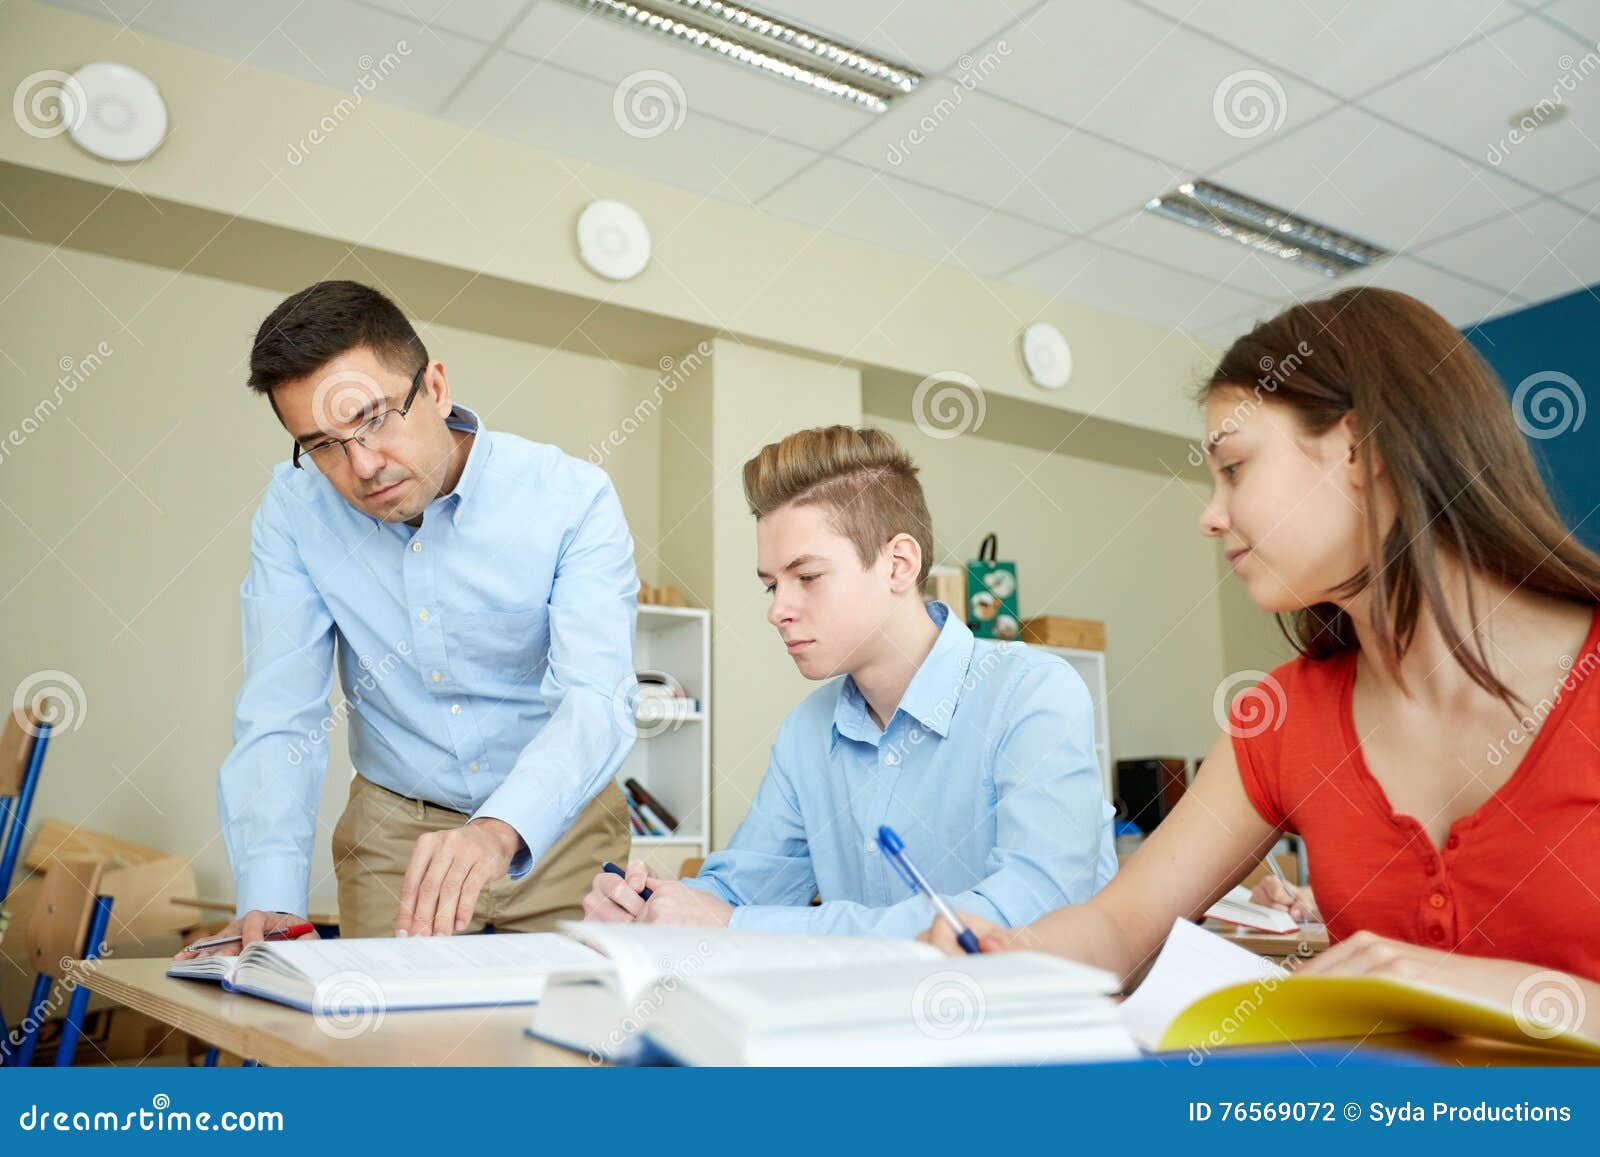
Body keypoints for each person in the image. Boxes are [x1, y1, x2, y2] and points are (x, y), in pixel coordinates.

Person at [924, 288, 1600, 1039]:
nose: (1210, 514)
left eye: (1235, 469)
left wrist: (1444, 981)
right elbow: (1118, 926)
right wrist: (1010, 953)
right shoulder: (1284, 717)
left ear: (1361, 448)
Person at [176, 280, 637, 959]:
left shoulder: (571, 499)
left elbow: (595, 699)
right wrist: (270, 894)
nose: (362, 466)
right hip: (397, 836)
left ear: (438, 388)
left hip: (560, 832)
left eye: (372, 419)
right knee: (393, 1057)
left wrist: (499, 828)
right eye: (324, 445)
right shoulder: (295, 513)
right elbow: (282, 710)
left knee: (573, 1051)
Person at [583, 426, 1116, 936]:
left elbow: (1031, 913)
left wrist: (732, 923)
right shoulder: (809, 732)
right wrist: (649, 906)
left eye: (807, 578)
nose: (779, 611)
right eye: (772, 587)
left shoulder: (1032, 694)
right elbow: (742, 891)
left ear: (899, 564)